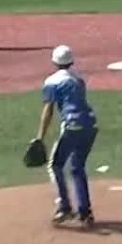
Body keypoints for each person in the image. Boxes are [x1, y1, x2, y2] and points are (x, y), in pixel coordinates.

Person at [37, 45, 99, 228]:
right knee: (77, 167)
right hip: (91, 125)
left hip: (72, 126)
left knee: (55, 165)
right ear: (71, 61)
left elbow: (48, 110)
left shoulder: (52, 82)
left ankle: (64, 206)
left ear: (54, 62)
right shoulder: (78, 80)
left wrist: (40, 136)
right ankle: (85, 213)